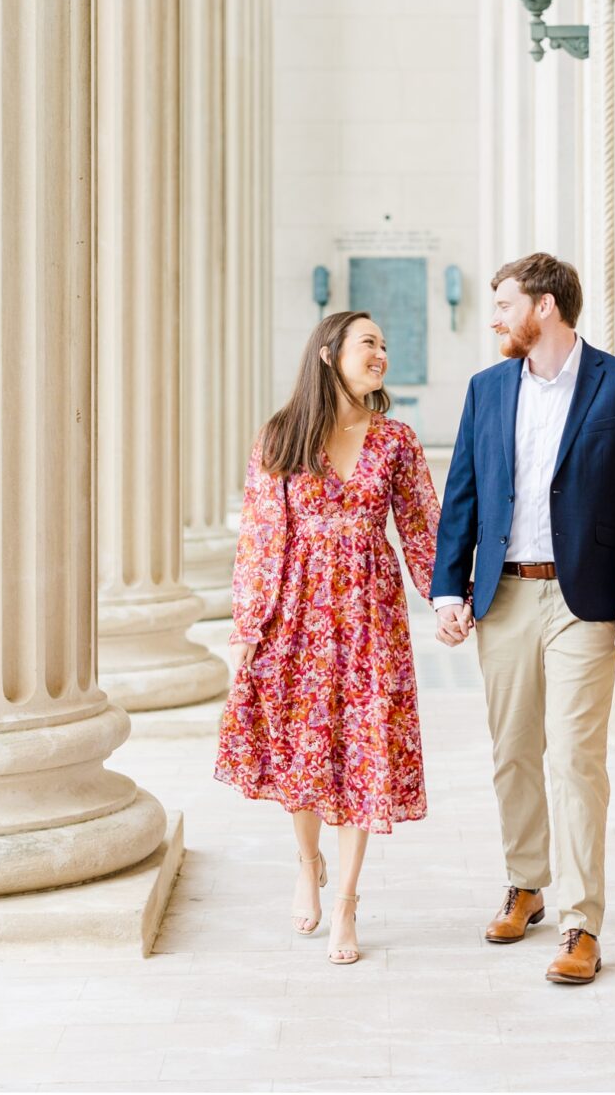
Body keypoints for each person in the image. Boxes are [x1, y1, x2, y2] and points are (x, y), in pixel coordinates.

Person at [432, 253, 615, 984]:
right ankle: (526, 883)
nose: (496, 316)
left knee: (574, 758)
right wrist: (449, 588)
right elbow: (463, 493)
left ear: (545, 307)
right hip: (503, 596)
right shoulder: (486, 389)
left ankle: (580, 921)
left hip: (584, 601)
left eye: (505, 303)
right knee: (512, 752)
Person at [214, 311, 440, 965]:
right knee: (305, 749)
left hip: (371, 619)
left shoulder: (395, 440)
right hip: (298, 614)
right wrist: (247, 627)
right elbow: (259, 537)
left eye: (385, 344)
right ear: (328, 353)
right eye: (369, 342)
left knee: (362, 751)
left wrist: (451, 601)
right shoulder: (281, 437)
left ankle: (346, 901)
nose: (381, 353)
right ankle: (306, 859)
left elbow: (424, 530)